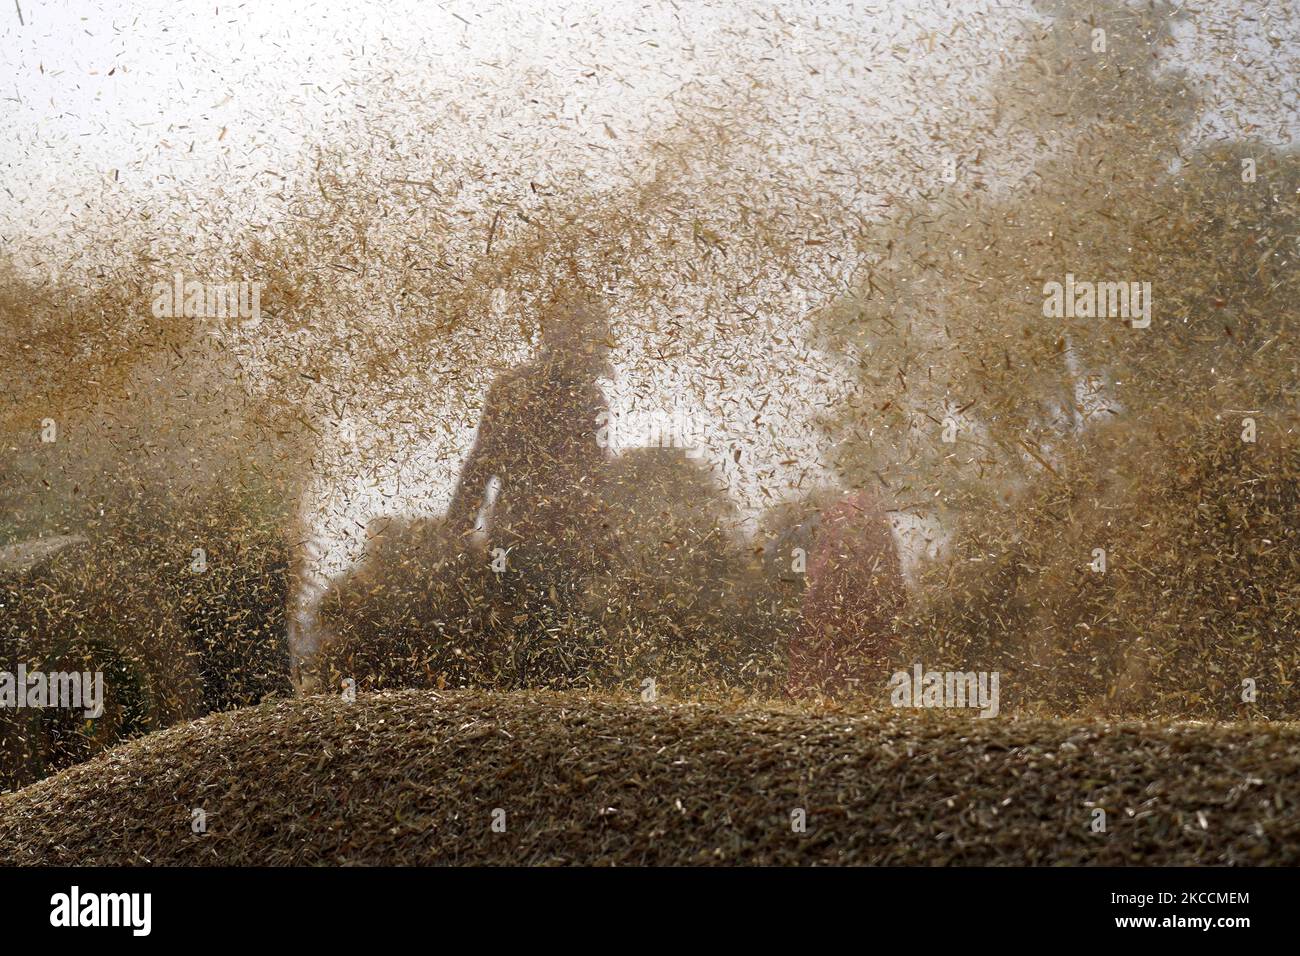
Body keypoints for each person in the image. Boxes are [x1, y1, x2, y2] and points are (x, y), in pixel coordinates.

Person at [785, 490, 904, 697]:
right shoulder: (843, 516)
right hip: (839, 607)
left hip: (854, 608)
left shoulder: (855, 517)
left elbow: (815, 565)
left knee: (847, 657)